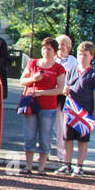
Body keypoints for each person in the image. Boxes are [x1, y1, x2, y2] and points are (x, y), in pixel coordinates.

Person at [18, 37, 66, 175]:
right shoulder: (33, 63)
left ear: (55, 51)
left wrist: (42, 93)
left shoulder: (58, 68)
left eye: (49, 49)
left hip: (48, 105)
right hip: (31, 104)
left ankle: (41, 167)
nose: (46, 51)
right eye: (44, 48)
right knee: (29, 135)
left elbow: (60, 89)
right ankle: (28, 166)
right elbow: (22, 80)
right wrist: (33, 79)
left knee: (45, 135)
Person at [56, 41, 95, 176]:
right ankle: (67, 164)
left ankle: (79, 165)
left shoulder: (94, 74)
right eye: (80, 54)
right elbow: (65, 89)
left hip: (85, 111)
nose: (82, 57)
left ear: (91, 56)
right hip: (71, 110)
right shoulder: (71, 70)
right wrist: (65, 89)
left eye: (85, 55)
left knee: (82, 140)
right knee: (67, 138)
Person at [53, 34, 78, 163]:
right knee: (48, 126)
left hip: (64, 96)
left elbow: (76, 77)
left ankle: (62, 155)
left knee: (62, 126)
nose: (61, 47)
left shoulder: (73, 61)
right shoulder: (52, 58)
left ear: (69, 47)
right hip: (51, 94)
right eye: (59, 44)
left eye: (63, 44)